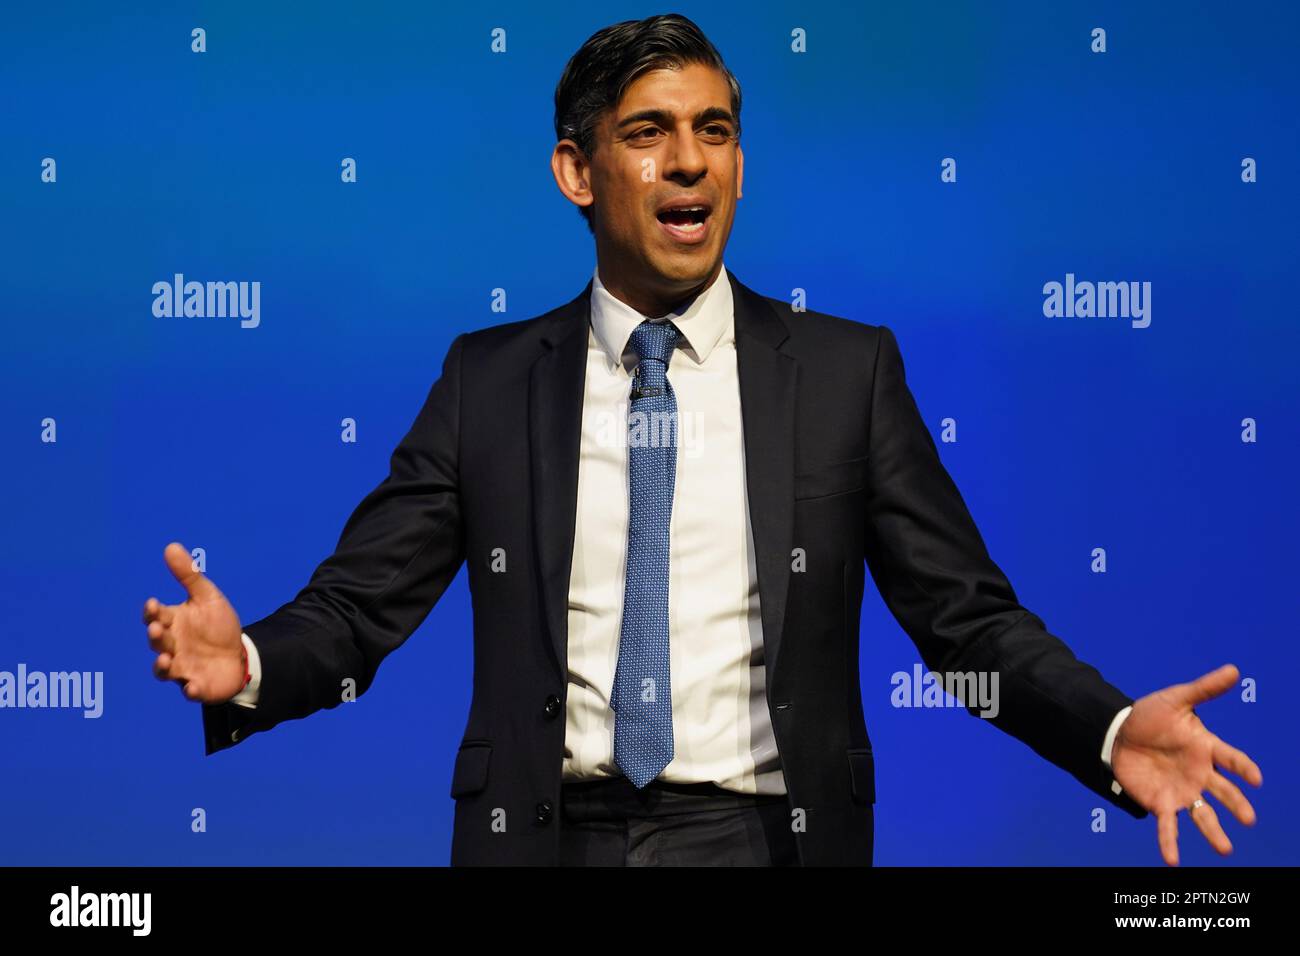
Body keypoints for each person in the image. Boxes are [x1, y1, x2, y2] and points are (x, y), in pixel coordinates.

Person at [142, 13, 1261, 866]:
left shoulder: (843, 373)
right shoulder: (487, 381)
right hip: (543, 833)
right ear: (576, 172)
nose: (689, 161)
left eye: (713, 131)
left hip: (768, 839)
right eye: (648, 134)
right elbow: (358, 603)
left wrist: (1107, 730)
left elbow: (964, 618)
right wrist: (244, 660)